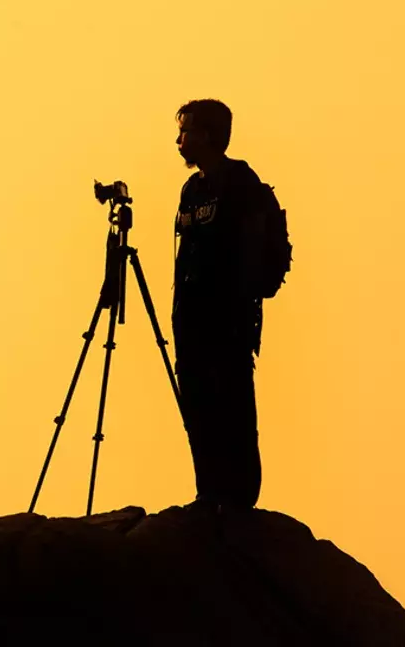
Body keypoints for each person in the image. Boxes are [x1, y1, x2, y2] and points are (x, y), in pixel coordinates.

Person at [171, 98, 271, 515]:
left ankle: (238, 498)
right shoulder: (192, 190)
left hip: (226, 321)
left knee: (231, 405)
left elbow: (258, 248)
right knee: (197, 405)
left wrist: (239, 295)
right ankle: (208, 491)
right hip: (191, 320)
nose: (179, 141)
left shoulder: (240, 183)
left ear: (208, 135)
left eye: (186, 132)